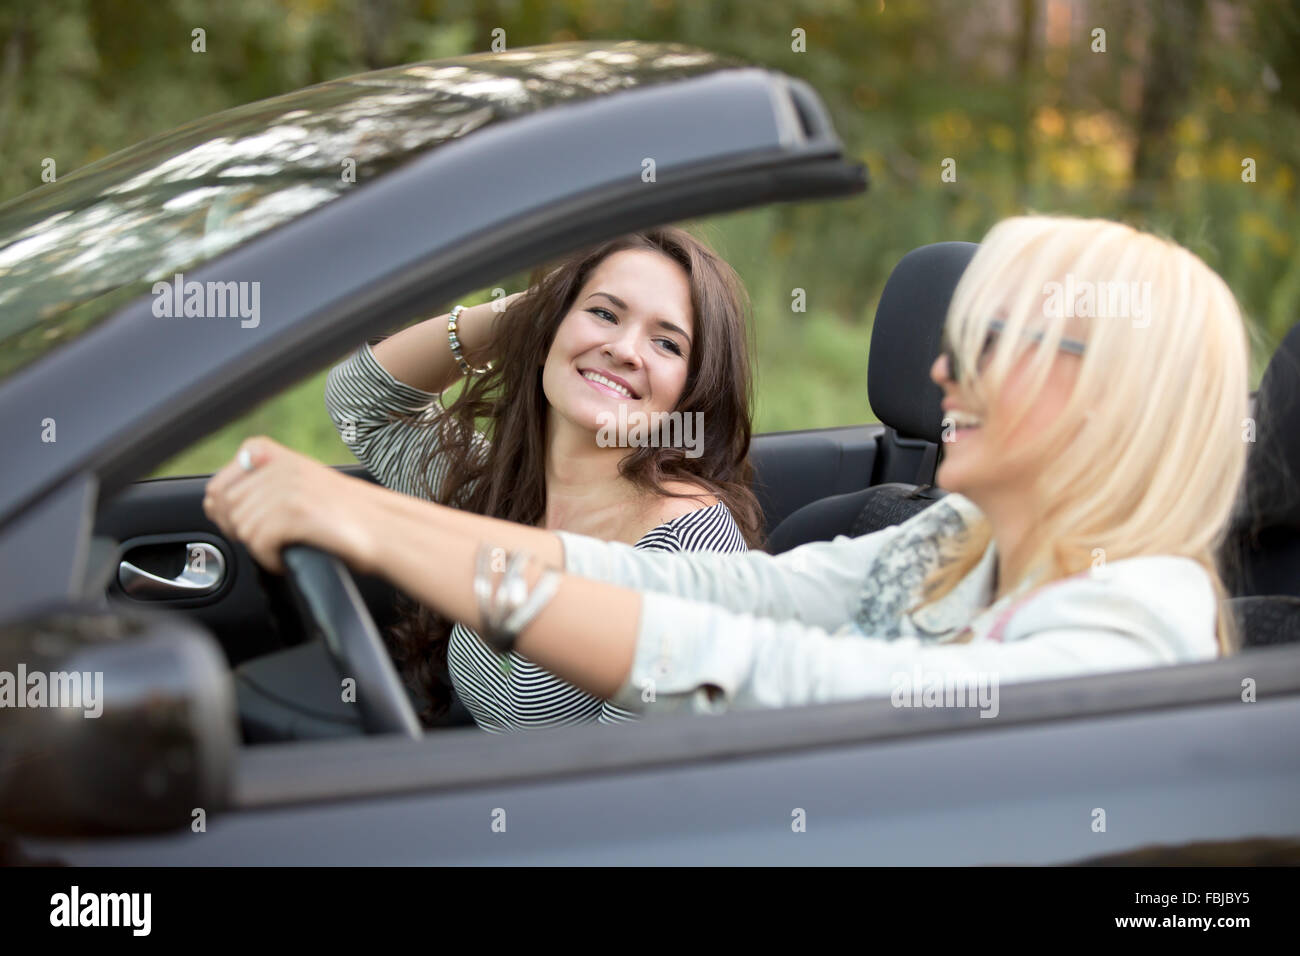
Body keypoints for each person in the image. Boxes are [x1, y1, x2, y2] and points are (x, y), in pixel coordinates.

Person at [204, 215, 1250, 718]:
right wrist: (373, 520)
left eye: (989, 345)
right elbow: (739, 597)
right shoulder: (961, 540)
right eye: (599, 314)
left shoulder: (1128, 628)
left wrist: (384, 530)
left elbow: (775, 674)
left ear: (1112, 392)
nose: (943, 372)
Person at [318, 227, 761, 730]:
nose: (624, 349)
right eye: (604, 313)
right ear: (549, 328)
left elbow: (632, 772)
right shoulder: (492, 492)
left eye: (666, 343)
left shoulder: (687, 549)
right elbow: (360, 405)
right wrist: (518, 315)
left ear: (692, 389)